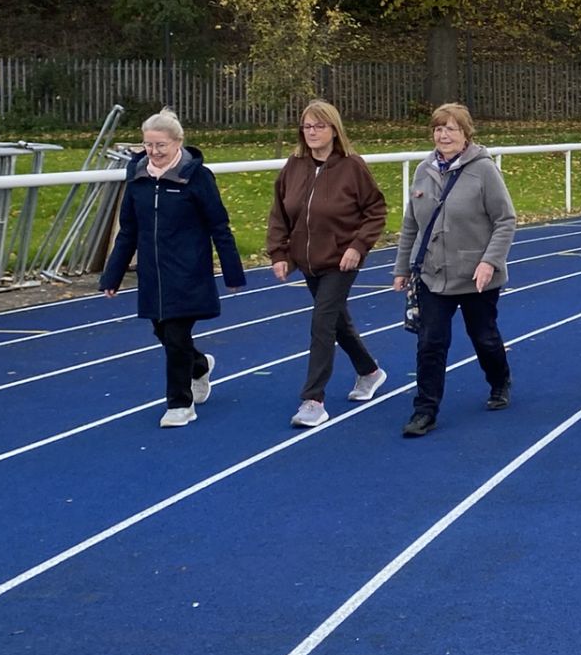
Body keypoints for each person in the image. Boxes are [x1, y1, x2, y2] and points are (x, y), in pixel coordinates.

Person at [99, 109, 247, 428]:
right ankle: (198, 366)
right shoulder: (137, 177)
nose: (153, 151)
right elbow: (128, 230)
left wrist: (232, 271)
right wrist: (112, 275)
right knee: (163, 332)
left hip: (188, 272)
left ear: (178, 142)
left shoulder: (197, 177)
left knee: (177, 335)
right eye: (148, 145)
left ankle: (180, 403)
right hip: (152, 274)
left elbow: (219, 225)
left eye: (160, 145)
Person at [392, 103, 518, 436]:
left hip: (476, 276)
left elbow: (505, 220)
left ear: (466, 134)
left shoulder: (484, 170)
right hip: (433, 276)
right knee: (430, 342)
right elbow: (411, 225)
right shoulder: (423, 171)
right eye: (438, 128)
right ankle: (425, 410)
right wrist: (402, 267)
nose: (443, 135)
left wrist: (489, 261)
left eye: (451, 128)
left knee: (484, 337)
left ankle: (499, 380)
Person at [266, 99, 390, 428]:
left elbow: (376, 211)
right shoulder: (293, 166)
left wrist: (358, 247)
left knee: (322, 322)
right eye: (307, 126)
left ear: (334, 130)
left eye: (319, 126)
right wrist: (279, 253)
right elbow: (279, 212)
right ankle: (370, 371)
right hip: (308, 260)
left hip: (341, 260)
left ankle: (313, 399)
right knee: (336, 322)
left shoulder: (352, 166)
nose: (312, 132)